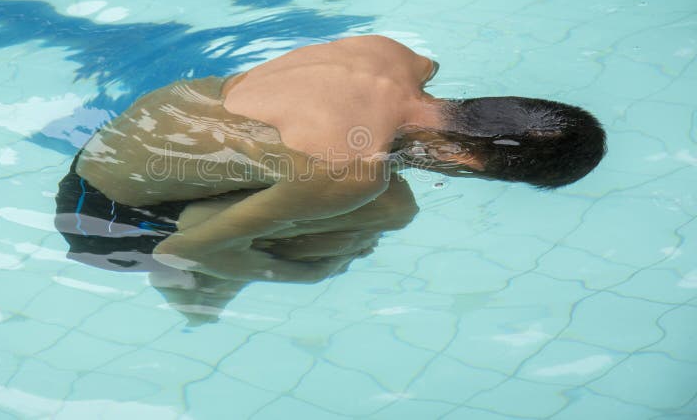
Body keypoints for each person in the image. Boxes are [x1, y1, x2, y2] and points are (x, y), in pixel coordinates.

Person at [56, 35, 605, 283]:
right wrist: (306, 276)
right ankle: (202, 300)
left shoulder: (393, 56)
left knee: (380, 197)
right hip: (106, 219)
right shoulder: (350, 173)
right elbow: (183, 251)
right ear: (469, 163)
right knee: (387, 210)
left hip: (116, 143)